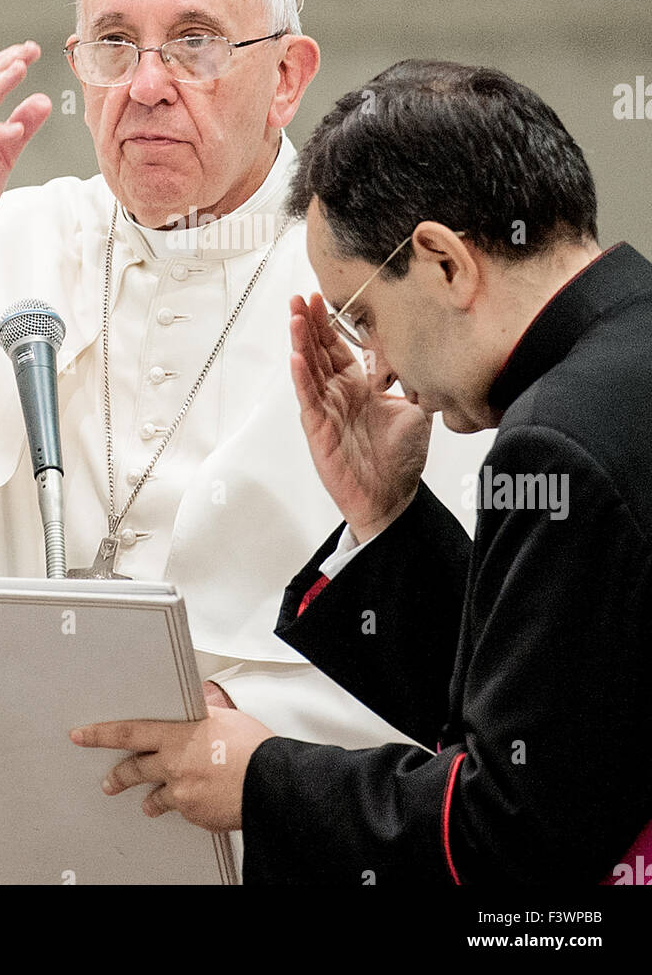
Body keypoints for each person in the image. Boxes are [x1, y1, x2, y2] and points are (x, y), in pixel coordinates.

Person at [0, 0, 491, 748]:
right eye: (114, 45)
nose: (147, 86)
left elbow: (461, 656)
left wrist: (258, 740)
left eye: (194, 43)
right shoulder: (5, 244)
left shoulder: (381, 283)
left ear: (286, 79)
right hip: (17, 775)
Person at [72, 60, 652, 886]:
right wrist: (386, 518)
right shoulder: (627, 361)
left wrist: (263, 777)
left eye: (366, 317)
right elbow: (569, 716)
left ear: (445, 264)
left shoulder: (556, 440)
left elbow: (516, 837)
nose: (376, 368)